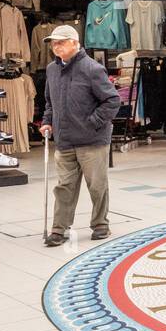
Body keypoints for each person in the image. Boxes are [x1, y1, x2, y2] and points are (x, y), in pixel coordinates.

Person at [38, 25, 121, 247]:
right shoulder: (51, 70)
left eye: (61, 42)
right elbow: (50, 101)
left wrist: (93, 122)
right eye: (54, 43)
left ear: (75, 43)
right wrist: (47, 122)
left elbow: (112, 100)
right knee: (64, 186)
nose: (56, 46)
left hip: (92, 140)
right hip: (64, 140)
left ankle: (100, 224)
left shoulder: (92, 69)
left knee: (97, 185)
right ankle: (59, 228)